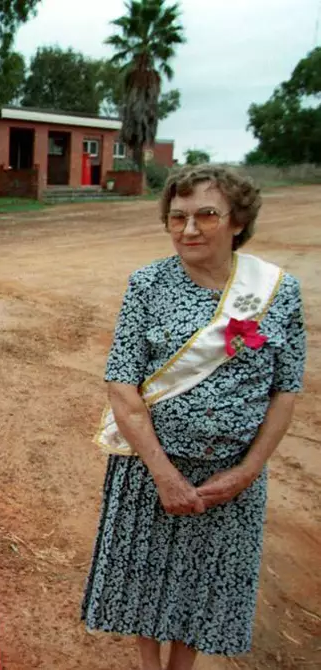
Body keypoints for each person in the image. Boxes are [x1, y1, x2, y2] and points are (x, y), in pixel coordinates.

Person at [84, 165, 306, 669]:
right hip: (151, 470)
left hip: (231, 475)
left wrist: (246, 473)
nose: (189, 229)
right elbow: (122, 384)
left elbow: (286, 391)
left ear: (236, 221)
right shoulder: (147, 285)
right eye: (177, 217)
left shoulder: (277, 292)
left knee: (203, 584)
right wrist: (165, 475)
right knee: (144, 582)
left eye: (206, 215)